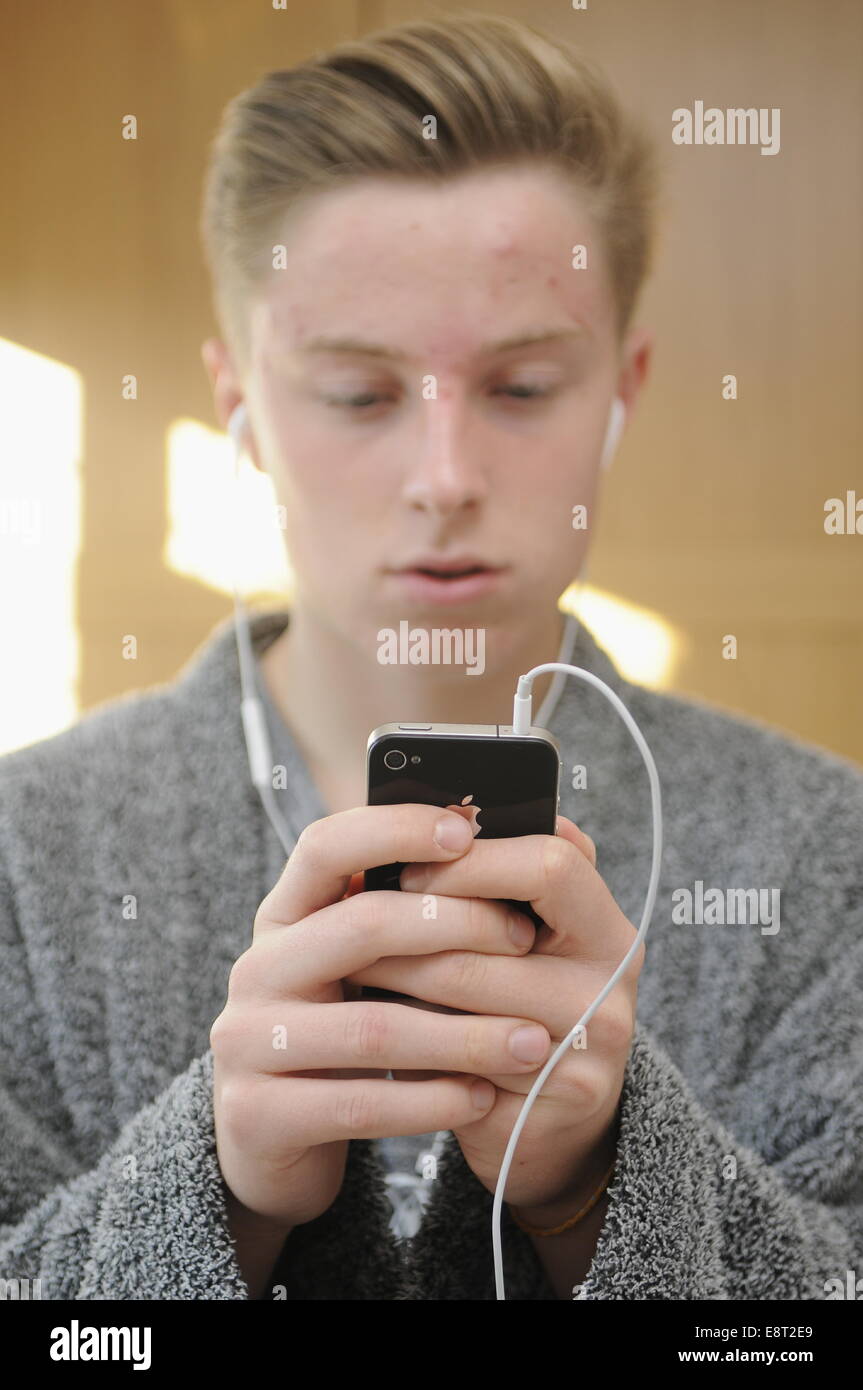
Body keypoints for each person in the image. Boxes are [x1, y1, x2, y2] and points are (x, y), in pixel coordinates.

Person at [1, 13, 861, 1303]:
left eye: (520, 388)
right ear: (240, 411)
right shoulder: (21, 854)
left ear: (620, 392)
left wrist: (594, 1189)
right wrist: (216, 1196)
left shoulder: (825, 856)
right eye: (357, 393)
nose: (445, 479)